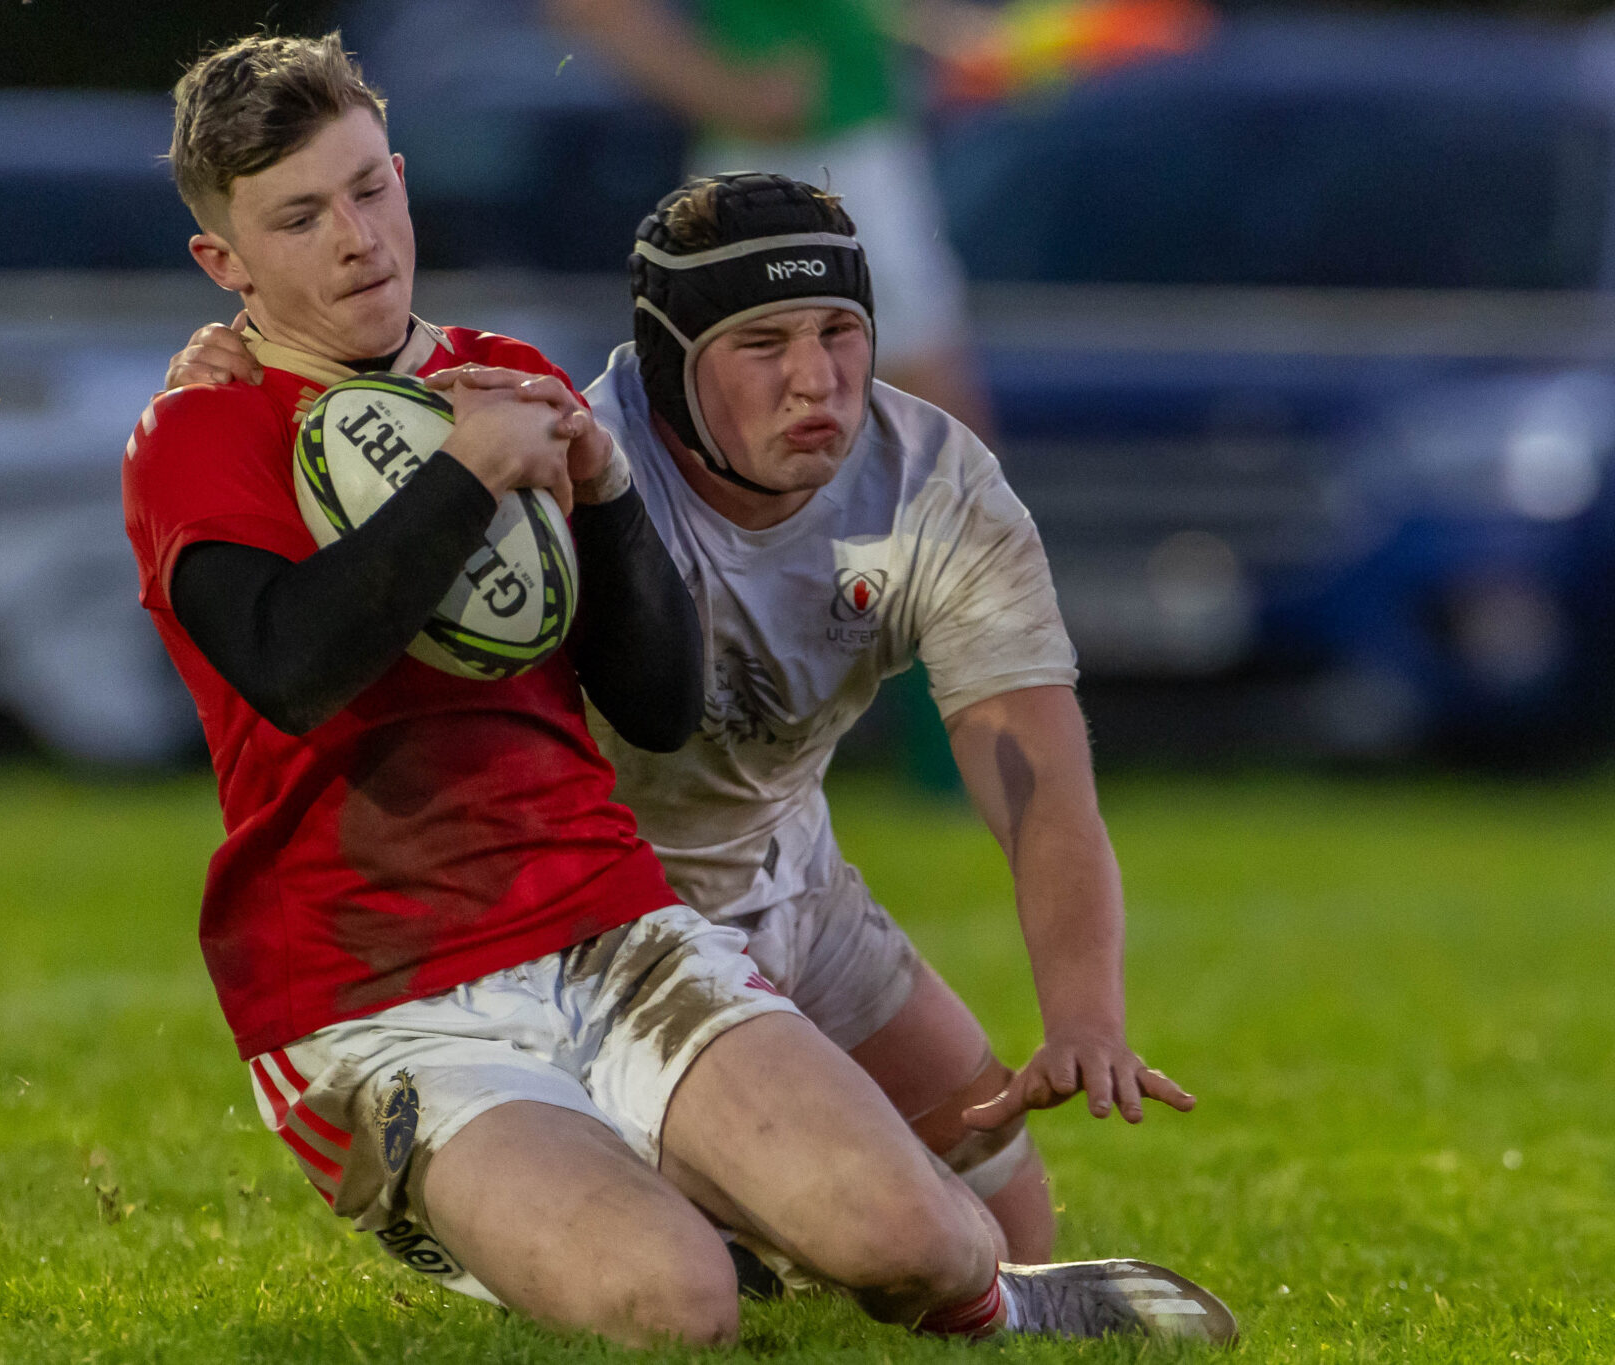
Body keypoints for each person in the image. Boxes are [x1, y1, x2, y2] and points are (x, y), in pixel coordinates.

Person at [129, 30, 1231, 1350]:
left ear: (405, 180)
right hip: (381, 994)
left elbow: (654, 701)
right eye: (300, 217)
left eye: (370, 190)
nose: (356, 237)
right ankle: (523, 1214)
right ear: (227, 262)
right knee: (675, 1302)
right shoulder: (197, 431)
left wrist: (598, 500)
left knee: (936, 1241)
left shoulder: (510, 379)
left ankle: (1005, 1306)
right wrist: (468, 476)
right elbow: (293, 666)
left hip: (615, 923)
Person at [544, 0, 999, 438]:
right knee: (928, 434)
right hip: (798, 165)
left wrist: (949, 37)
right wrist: (730, 93)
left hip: (857, 153)